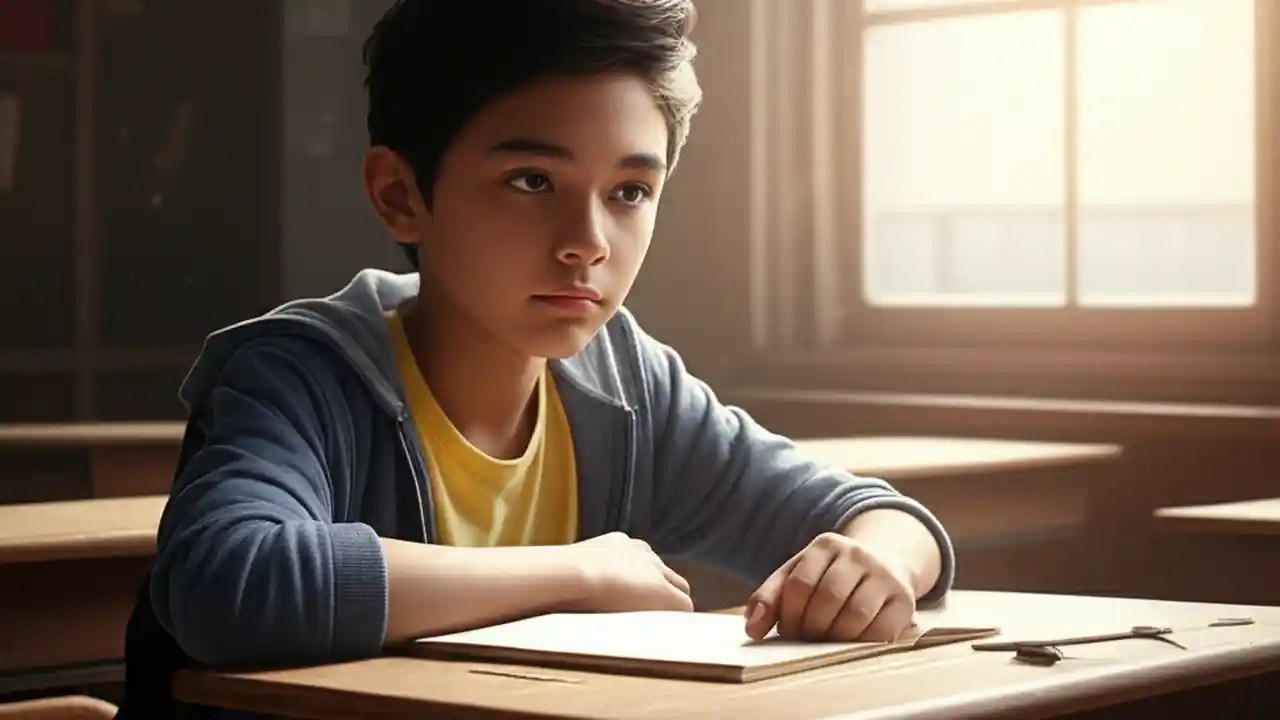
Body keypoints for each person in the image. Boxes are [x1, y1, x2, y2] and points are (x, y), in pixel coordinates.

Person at [119, 1, 954, 716]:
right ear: (401, 195)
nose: (587, 244)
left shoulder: (627, 387)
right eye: (531, 181)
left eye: (630, 191)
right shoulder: (302, 375)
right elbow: (226, 582)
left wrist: (877, 560)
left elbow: (880, 518)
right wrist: (575, 573)